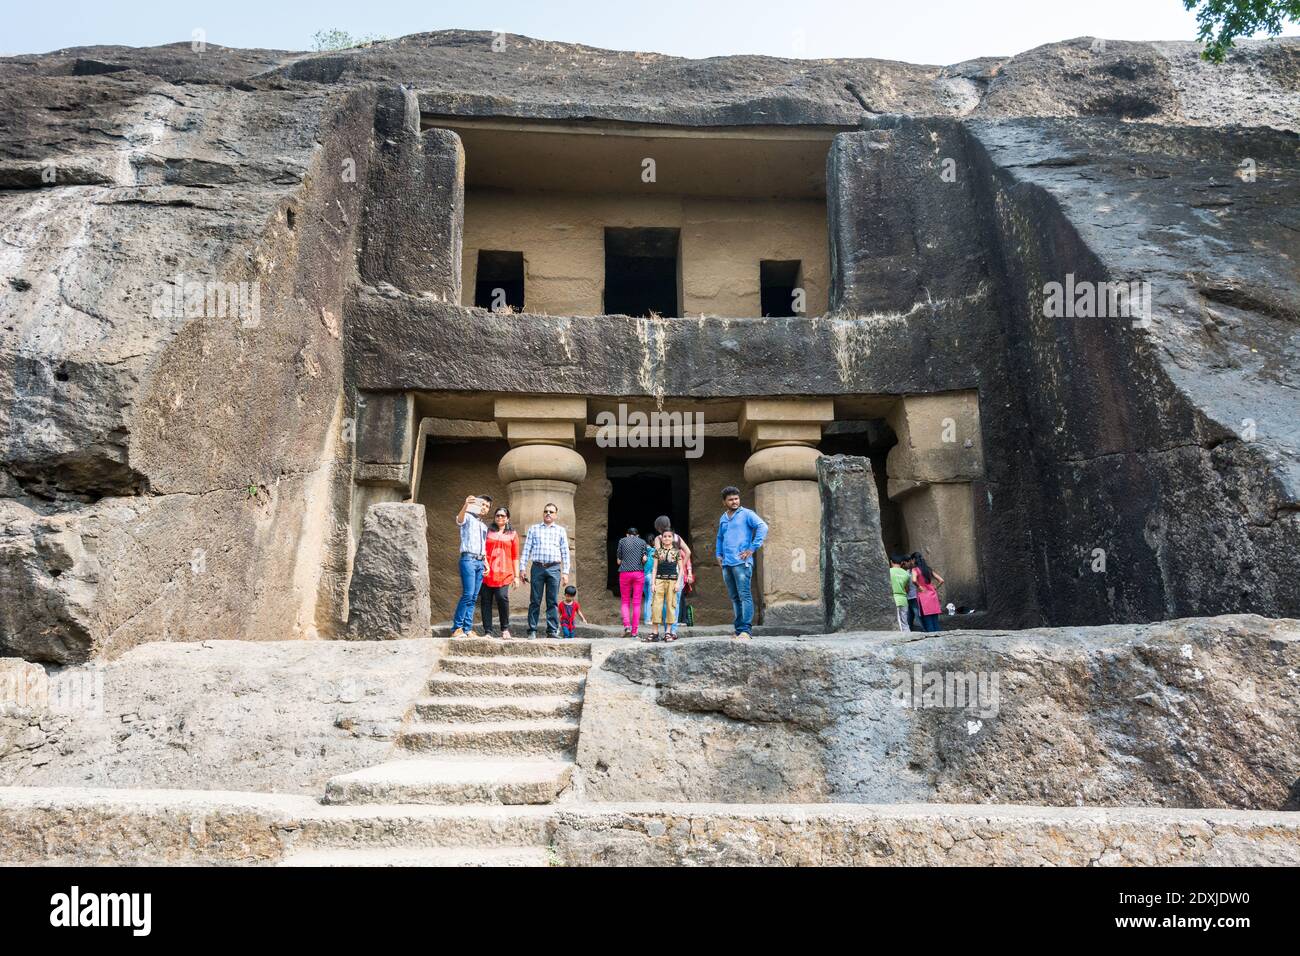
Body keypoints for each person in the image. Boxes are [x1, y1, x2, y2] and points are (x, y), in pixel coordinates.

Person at [715, 486, 767, 641]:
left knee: (744, 595)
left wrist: (752, 548)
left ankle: (746, 631)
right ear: (724, 502)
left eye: (736, 498)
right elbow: (720, 538)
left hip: (742, 563)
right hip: (727, 564)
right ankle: (738, 631)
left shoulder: (747, 514)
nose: (734, 501)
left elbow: (763, 527)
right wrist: (718, 554)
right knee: (734, 597)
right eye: (730, 499)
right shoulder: (723, 517)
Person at [519, 502, 570, 639]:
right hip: (537, 568)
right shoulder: (534, 529)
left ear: (556, 515)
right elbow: (526, 550)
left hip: (554, 568)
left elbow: (565, 552)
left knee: (552, 601)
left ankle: (552, 631)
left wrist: (565, 572)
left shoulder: (560, 531)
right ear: (543, 513)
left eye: (551, 512)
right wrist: (522, 568)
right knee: (535, 600)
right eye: (546, 511)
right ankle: (532, 630)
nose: (548, 513)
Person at [451, 493, 490, 639]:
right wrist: (466, 504)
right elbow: (459, 520)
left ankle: (467, 629)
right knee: (467, 594)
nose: (484, 508)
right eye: (482, 504)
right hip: (468, 559)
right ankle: (457, 628)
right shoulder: (467, 517)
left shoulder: (483, 526)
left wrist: (485, 562)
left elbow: (483, 546)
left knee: (474, 597)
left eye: (487, 506)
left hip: (480, 561)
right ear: (476, 504)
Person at [479, 506, 519, 639]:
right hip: (487, 572)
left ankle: (505, 629)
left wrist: (517, 576)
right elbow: (481, 548)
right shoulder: (488, 531)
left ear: (507, 518)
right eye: (497, 515)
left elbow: (515, 556)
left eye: (502, 516)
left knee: (502, 598)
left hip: (504, 573)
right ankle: (488, 631)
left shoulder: (512, 534)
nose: (500, 518)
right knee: (486, 601)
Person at [646, 517, 687, 642]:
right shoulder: (674, 540)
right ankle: (663, 632)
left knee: (670, 605)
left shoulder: (670, 547)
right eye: (665, 537)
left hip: (672, 578)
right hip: (661, 578)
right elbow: (655, 567)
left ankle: (668, 632)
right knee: (662, 605)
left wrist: (680, 576)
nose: (667, 538)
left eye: (669, 537)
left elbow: (679, 568)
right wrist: (653, 582)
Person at [616, 527, 649, 639]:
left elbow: (618, 561)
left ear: (627, 534)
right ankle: (634, 632)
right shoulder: (642, 542)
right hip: (638, 573)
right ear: (637, 535)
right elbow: (645, 559)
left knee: (625, 601)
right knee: (636, 603)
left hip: (625, 573)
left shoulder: (622, 541)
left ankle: (627, 626)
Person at [911, 552, 946, 632]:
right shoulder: (928, 569)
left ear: (913, 560)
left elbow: (914, 580)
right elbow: (941, 580)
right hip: (932, 595)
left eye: (911, 560)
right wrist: (935, 587)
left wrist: (919, 586)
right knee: (935, 620)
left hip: (923, 596)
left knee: (927, 620)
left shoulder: (915, 569)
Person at [888, 555, 912, 633]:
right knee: (905, 622)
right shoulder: (906, 573)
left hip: (893, 599)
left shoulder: (888, 572)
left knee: (897, 622)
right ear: (902, 563)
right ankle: (908, 636)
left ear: (891, 562)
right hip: (904, 599)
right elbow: (907, 589)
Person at [640, 532, 656, 626]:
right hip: (650, 576)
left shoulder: (643, 550)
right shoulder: (654, 551)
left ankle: (646, 619)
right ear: (652, 540)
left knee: (646, 598)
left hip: (642, 575)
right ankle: (648, 619)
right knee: (650, 598)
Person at [905, 554, 922, 631]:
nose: (905, 565)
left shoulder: (915, 570)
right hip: (910, 596)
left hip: (915, 596)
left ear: (911, 561)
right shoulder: (908, 571)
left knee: (917, 615)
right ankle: (910, 630)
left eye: (906, 563)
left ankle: (923, 630)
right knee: (910, 615)